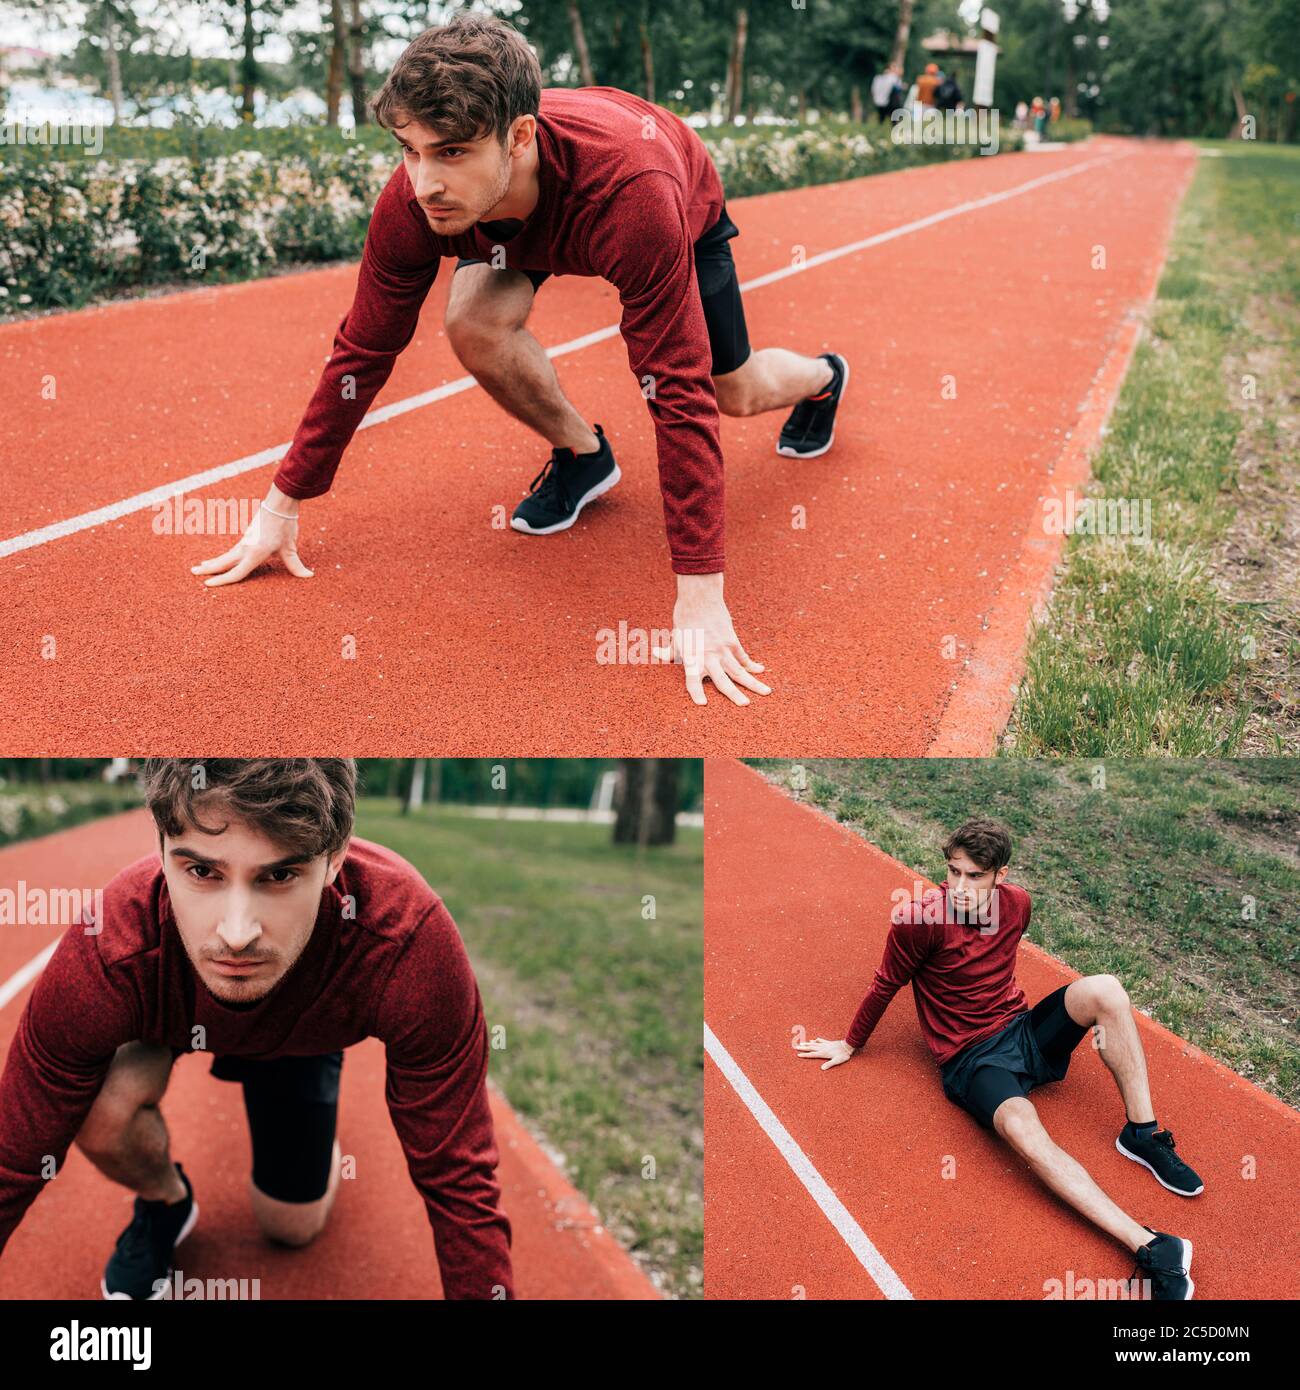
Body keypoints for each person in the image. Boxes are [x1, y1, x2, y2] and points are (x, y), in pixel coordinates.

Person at [192, 14, 851, 711]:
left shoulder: (635, 199)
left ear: (519, 136)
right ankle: (584, 454)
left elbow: (676, 390)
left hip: (671, 191)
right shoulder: (416, 201)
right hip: (516, 225)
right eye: (409, 152)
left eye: (449, 153)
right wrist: (281, 505)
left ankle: (824, 378)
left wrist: (701, 595)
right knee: (472, 322)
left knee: (733, 391)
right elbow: (364, 348)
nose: (423, 183)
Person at [0, 758, 514, 1301]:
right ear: (160, 850)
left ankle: (314, 1134)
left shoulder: (406, 942)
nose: (237, 933)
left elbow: (460, 1182)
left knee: (290, 1225)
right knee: (98, 1108)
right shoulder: (110, 950)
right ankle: (164, 1202)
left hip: (304, 1034)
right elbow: (13, 1157)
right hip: (171, 1018)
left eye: (279, 875)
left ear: (336, 858)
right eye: (202, 872)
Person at [794, 817, 1204, 1301]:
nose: (959, 886)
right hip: (972, 1059)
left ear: (1000, 876)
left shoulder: (1018, 905)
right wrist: (850, 1043)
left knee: (1106, 989)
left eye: (974, 876)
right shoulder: (917, 921)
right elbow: (886, 983)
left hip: (1022, 1030)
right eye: (953, 872)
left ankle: (1141, 1134)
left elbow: (995, 955)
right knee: (1023, 1130)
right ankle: (1154, 1244)